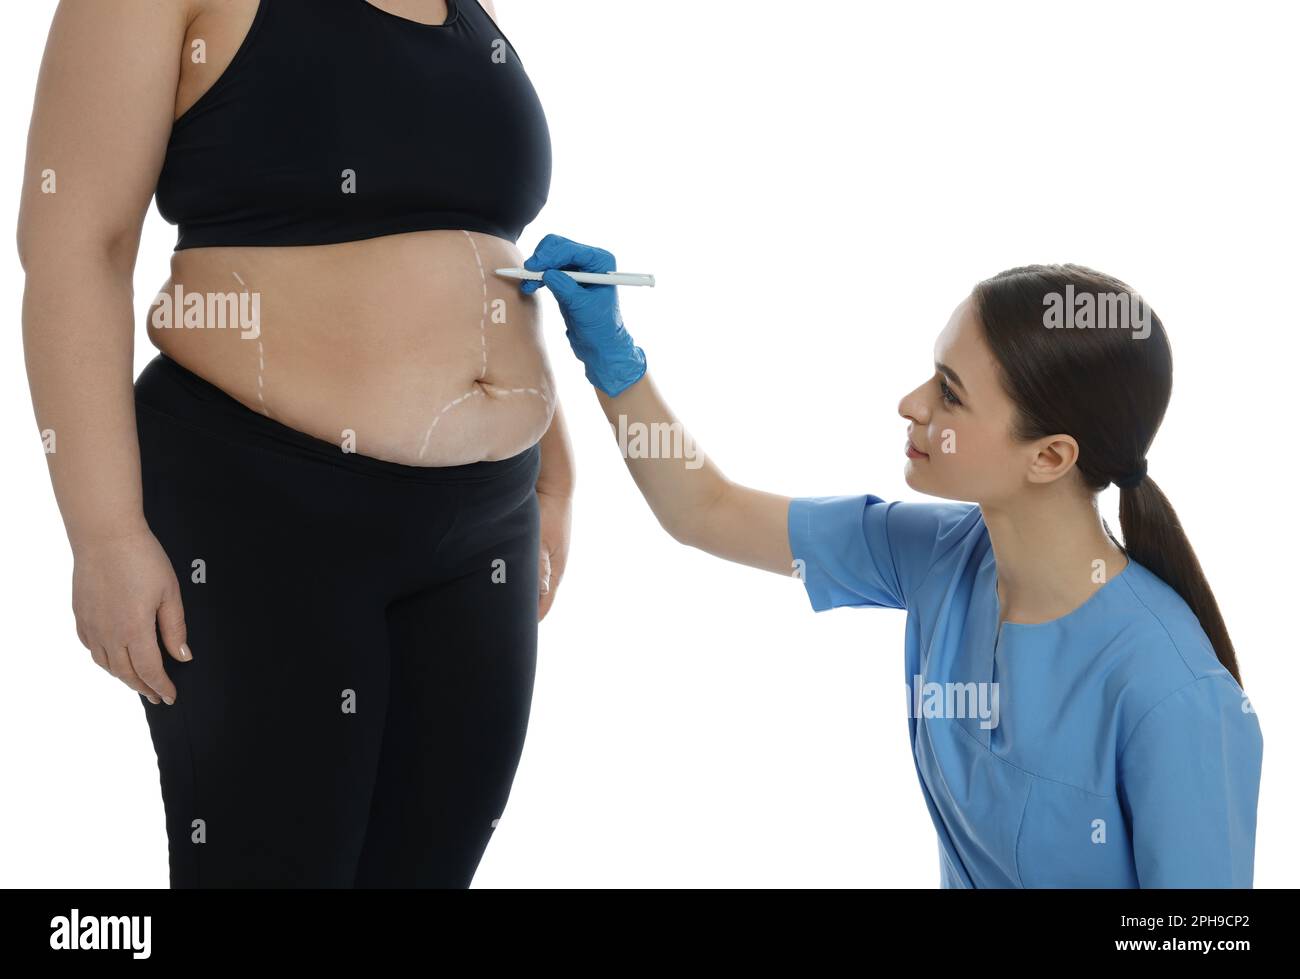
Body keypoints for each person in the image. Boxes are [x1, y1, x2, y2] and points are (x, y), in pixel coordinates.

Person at [18, 0, 573, 888]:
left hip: (485, 525)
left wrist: (556, 475)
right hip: (258, 504)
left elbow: (486, 255)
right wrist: (106, 534)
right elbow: (78, 241)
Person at [521, 234, 1264, 887]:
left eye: (950, 393)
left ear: (1049, 456)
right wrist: (612, 357)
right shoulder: (941, 560)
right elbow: (705, 511)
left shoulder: (1174, 695)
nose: (911, 403)